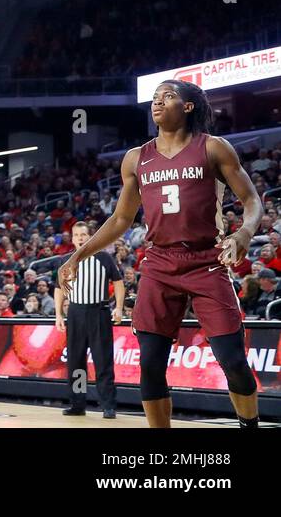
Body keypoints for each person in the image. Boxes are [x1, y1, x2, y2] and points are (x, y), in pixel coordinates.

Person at [60, 80, 263, 428]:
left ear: (187, 107)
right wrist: (77, 255)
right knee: (151, 363)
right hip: (159, 264)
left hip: (207, 261)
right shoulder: (136, 158)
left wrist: (243, 232)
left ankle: (250, 425)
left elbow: (252, 201)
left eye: (167, 96)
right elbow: (122, 218)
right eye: (154, 98)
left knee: (232, 360)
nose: (157, 102)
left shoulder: (213, 148)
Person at [54, 221, 124, 419]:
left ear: (90, 236)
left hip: (98, 312)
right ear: (72, 238)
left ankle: (108, 405)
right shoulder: (66, 261)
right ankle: (77, 404)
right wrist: (59, 314)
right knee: (75, 361)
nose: (80, 238)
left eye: (83, 234)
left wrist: (118, 308)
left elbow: (118, 282)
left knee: (103, 360)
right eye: (76, 235)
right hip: (75, 313)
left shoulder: (104, 257)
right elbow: (59, 288)